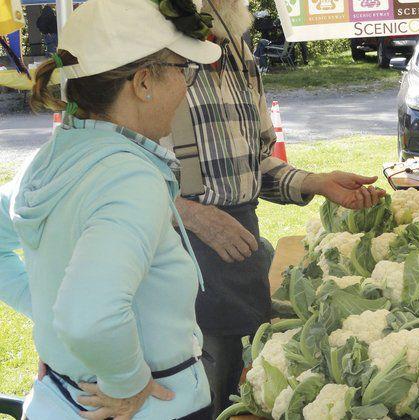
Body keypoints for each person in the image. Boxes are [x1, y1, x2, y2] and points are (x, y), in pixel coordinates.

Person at [0, 0, 222, 418]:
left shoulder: (50, 158)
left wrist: (44, 310)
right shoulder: (128, 177)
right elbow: (89, 317)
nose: (186, 88)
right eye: (183, 71)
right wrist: (127, 384)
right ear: (142, 82)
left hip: (57, 402)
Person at [164, 0, 385, 415]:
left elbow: (256, 159)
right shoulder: (145, 47)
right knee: (195, 395)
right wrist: (188, 213)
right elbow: (108, 169)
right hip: (170, 252)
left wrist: (316, 183)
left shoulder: (238, 49)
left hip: (238, 251)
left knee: (240, 389)